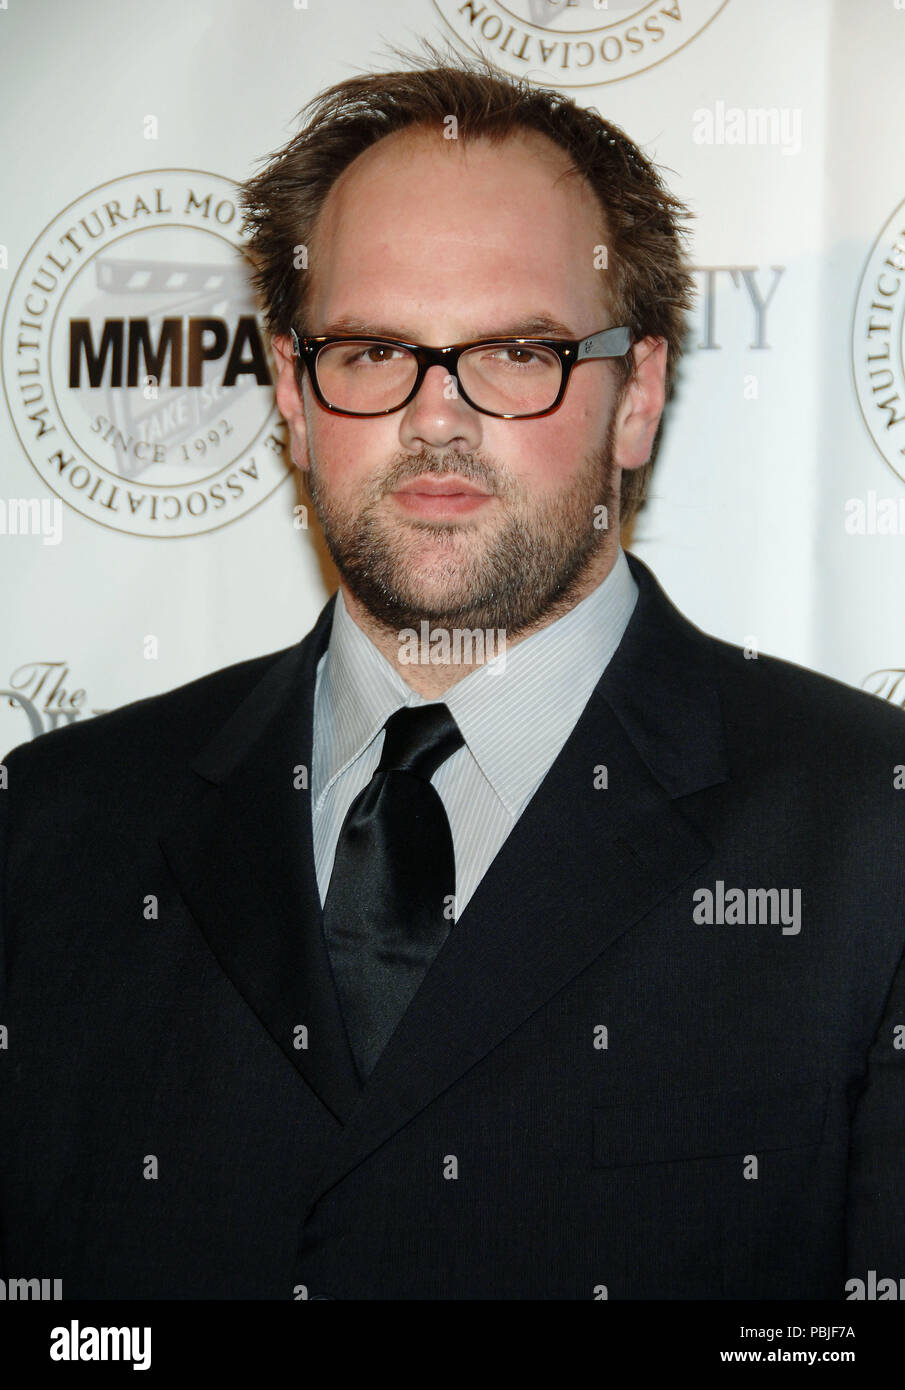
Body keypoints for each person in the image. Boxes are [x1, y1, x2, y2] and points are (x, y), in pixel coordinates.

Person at [1, 53, 903, 1302]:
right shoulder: (52, 828)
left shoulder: (870, 836)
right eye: (373, 350)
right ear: (290, 392)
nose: (437, 419)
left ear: (633, 397)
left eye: (516, 350)